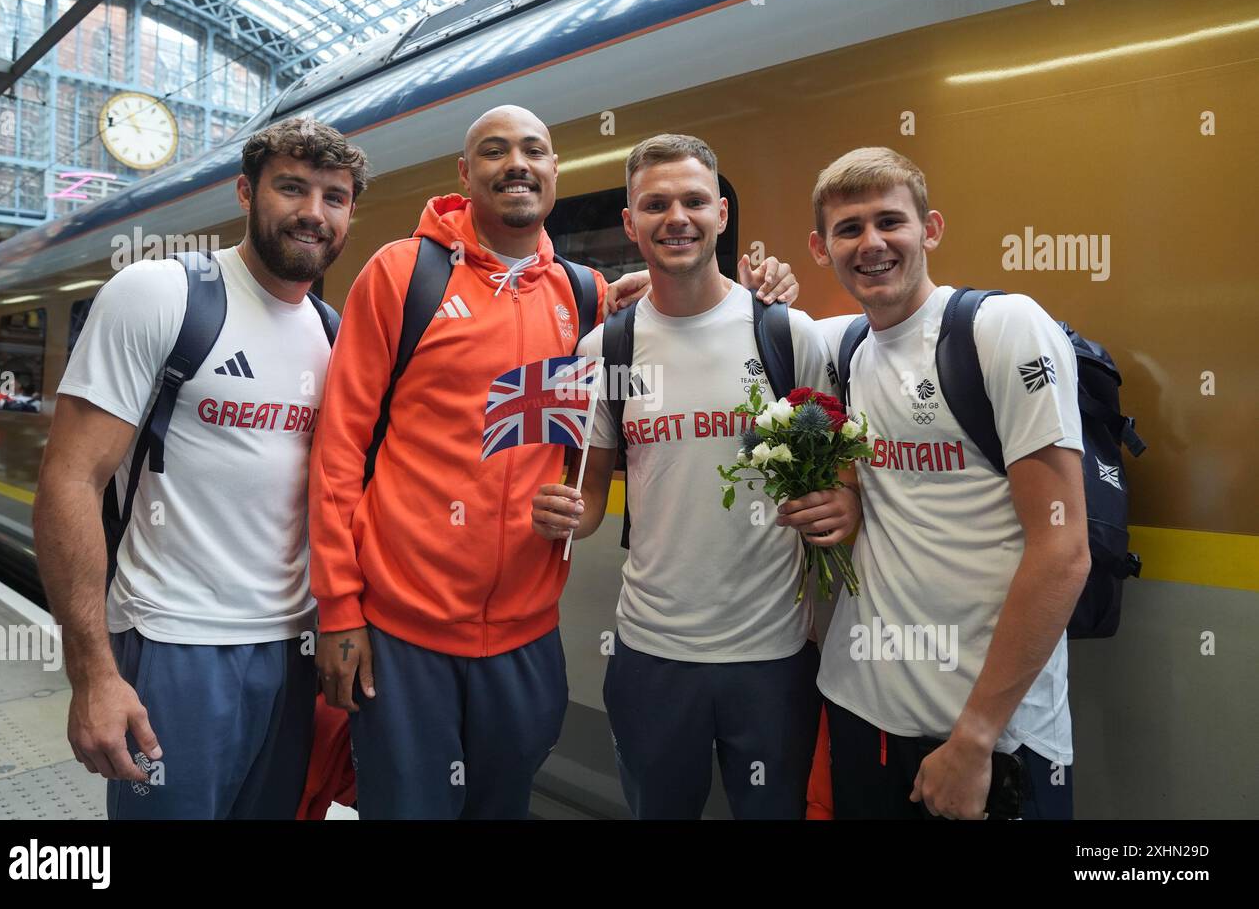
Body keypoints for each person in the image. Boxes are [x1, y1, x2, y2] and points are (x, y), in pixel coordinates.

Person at [308, 107, 798, 819]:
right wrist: (339, 609)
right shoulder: (401, 275)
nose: (516, 163)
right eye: (494, 151)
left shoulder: (585, 297)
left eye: (533, 150)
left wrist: (767, 290)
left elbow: (676, 330)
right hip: (404, 633)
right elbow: (339, 450)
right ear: (465, 174)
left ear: (554, 171)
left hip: (527, 634)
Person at [33, 117, 369, 819]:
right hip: (175, 645)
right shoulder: (161, 294)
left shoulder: (336, 334)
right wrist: (92, 673)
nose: (314, 212)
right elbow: (71, 478)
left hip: (291, 651)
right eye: (292, 188)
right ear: (245, 192)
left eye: (334, 197)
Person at [529, 134, 859, 819]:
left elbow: (843, 474)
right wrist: (562, 515)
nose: (675, 217)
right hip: (651, 654)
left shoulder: (788, 334)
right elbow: (590, 500)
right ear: (630, 223)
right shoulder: (605, 349)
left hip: (774, 656)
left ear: (721, 214)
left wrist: (841, 505)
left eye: (693, 201)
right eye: (655, 204)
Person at [807, 147, 1090, 819]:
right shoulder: (846, 346)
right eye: (849, 229)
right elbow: (724, 326)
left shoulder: (1002, 329)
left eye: (889, 222)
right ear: (822, 248)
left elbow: (1064, 551)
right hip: (864, 712)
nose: (871, 244)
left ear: (930, 229)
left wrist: (975, 738)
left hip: (991, 735)